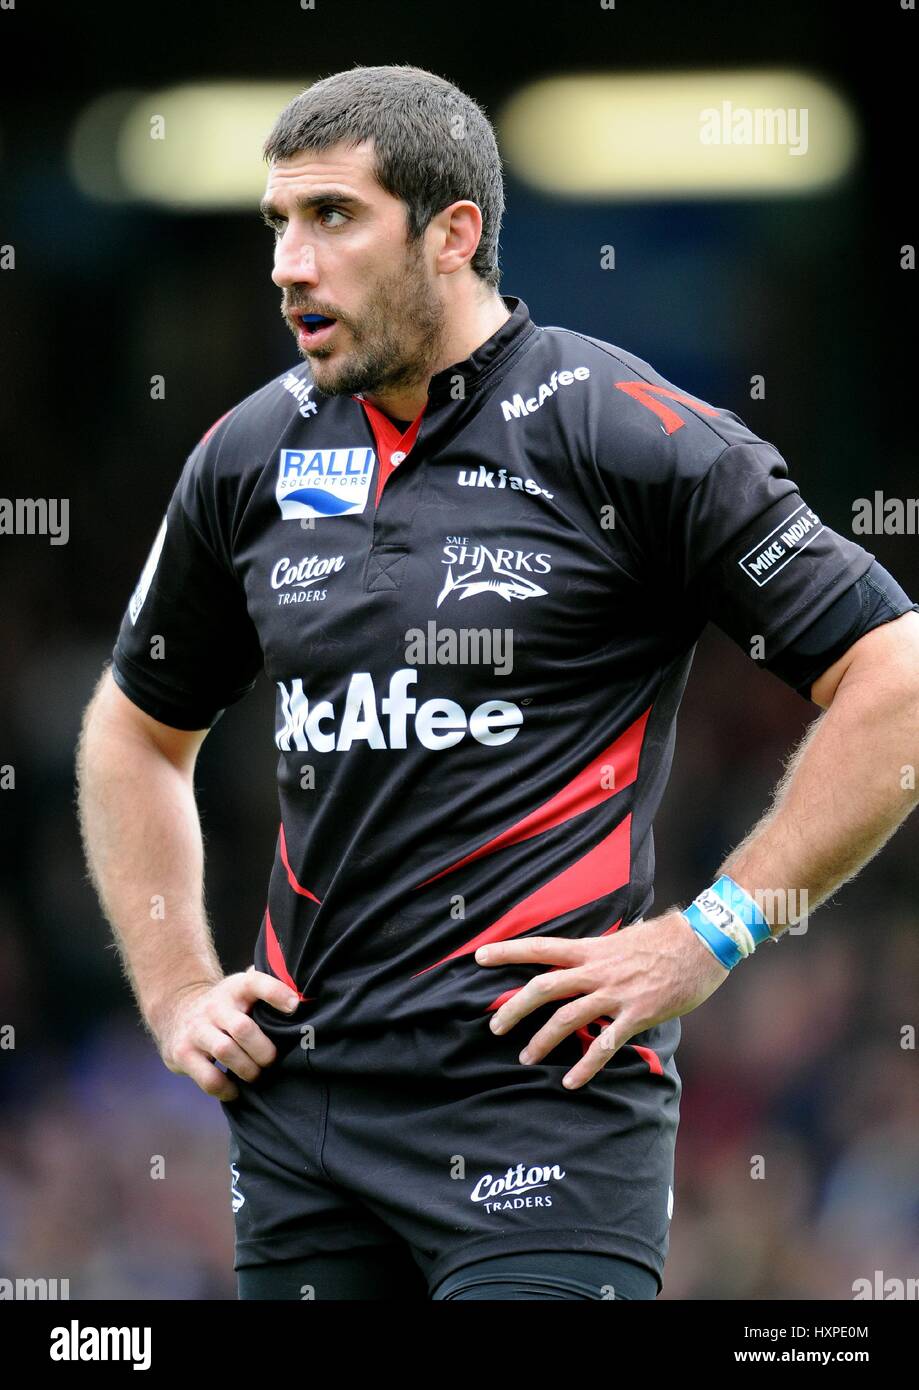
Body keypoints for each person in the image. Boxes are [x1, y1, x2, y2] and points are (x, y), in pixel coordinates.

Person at [76, 64, 919, 1302]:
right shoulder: (249, 455)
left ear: (452, 232)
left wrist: (710, 935)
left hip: (545, 1112)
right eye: (276, 225)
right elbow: (132, 736)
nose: (287, 265)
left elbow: (893, 677)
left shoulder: (623, 432)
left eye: (331, 219)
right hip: (300, 1122)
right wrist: (176, 989)